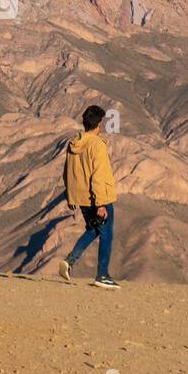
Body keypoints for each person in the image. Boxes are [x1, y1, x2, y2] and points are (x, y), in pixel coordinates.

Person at [59, 105, 120, 290]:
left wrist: (71, 196)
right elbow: (99, 175)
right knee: (106, 235)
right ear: (99, 124)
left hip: (82, 199)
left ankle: (69, 262)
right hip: (98, 198)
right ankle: (102, 275)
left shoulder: (74, 144)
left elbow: (67, 172)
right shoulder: (97, 145)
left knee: (94, 230)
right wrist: (101, 204)